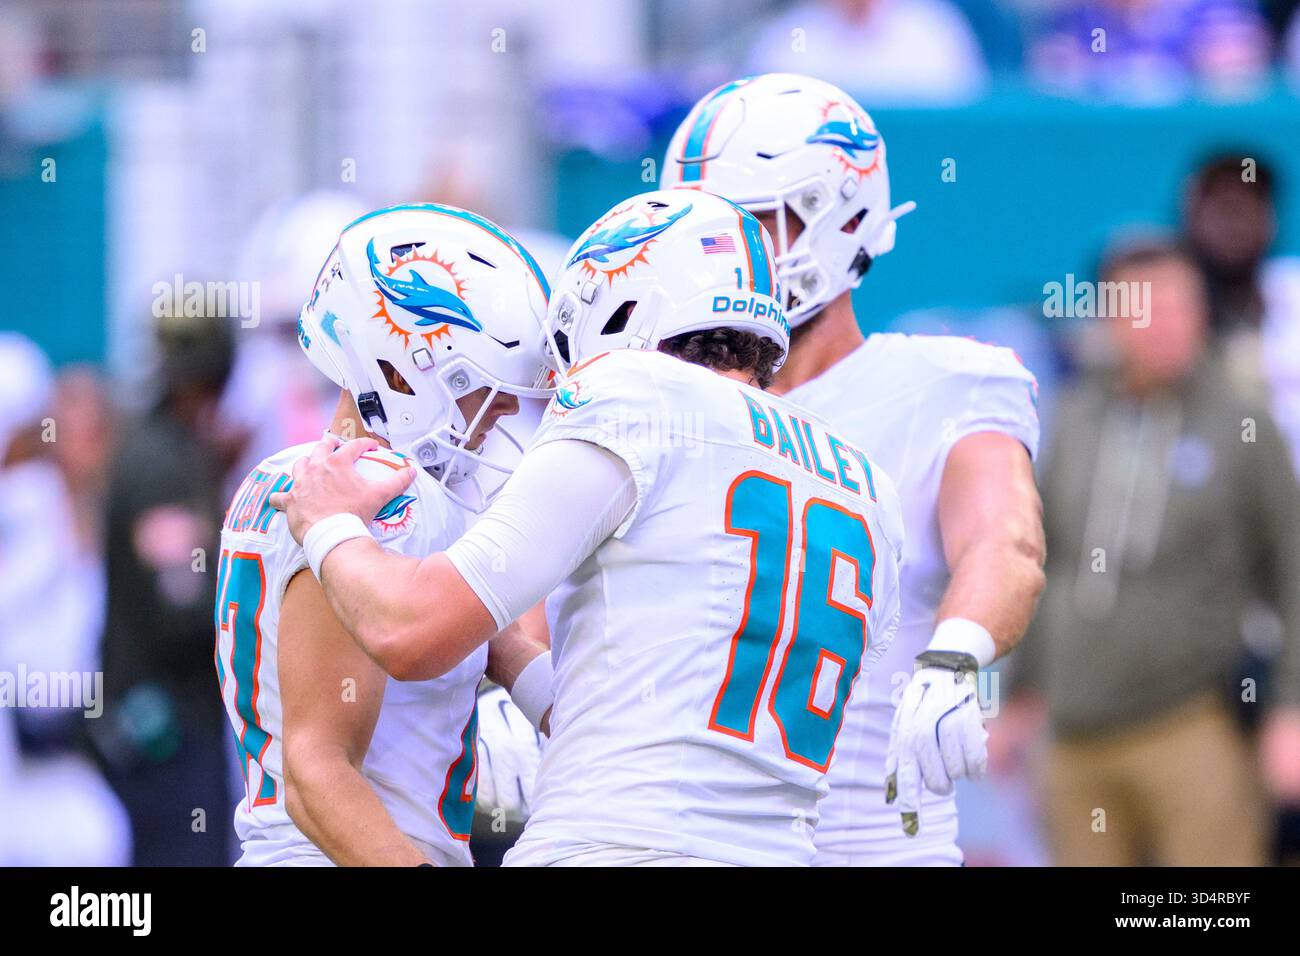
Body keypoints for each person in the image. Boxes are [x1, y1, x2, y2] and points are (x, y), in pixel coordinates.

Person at [270, 189, 905, 867]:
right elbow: (683, 711)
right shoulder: (867, 482)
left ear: (623, 308)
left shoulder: (637, 394)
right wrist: (510, 655)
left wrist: (331, 524)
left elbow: (411, 630)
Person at [660, 73, 1045, 865]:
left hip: (870, 843)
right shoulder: (653, 399)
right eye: (704, 230)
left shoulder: (943, 385)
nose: (728, 254)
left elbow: (1004, 543)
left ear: (842, 215)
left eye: (753, 222)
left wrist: (955, 655)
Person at [215, 203, 555, 866]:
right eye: (483, 387)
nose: (507, 407)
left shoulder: (296, 475)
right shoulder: (378, 494)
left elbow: (502, 648)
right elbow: (318, 773)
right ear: (400, 375)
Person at [1009, 239, 1300, 866]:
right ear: (1110, 319)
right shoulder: (1074, 417)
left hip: (1193, 726)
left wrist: (1290, 711)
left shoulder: (1243, 424)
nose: (1164, 321)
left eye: (1180, 302)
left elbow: (1293, 572)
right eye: (1144, 305)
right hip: (1073, 738)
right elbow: (1039, 561)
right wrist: (1014, 696)